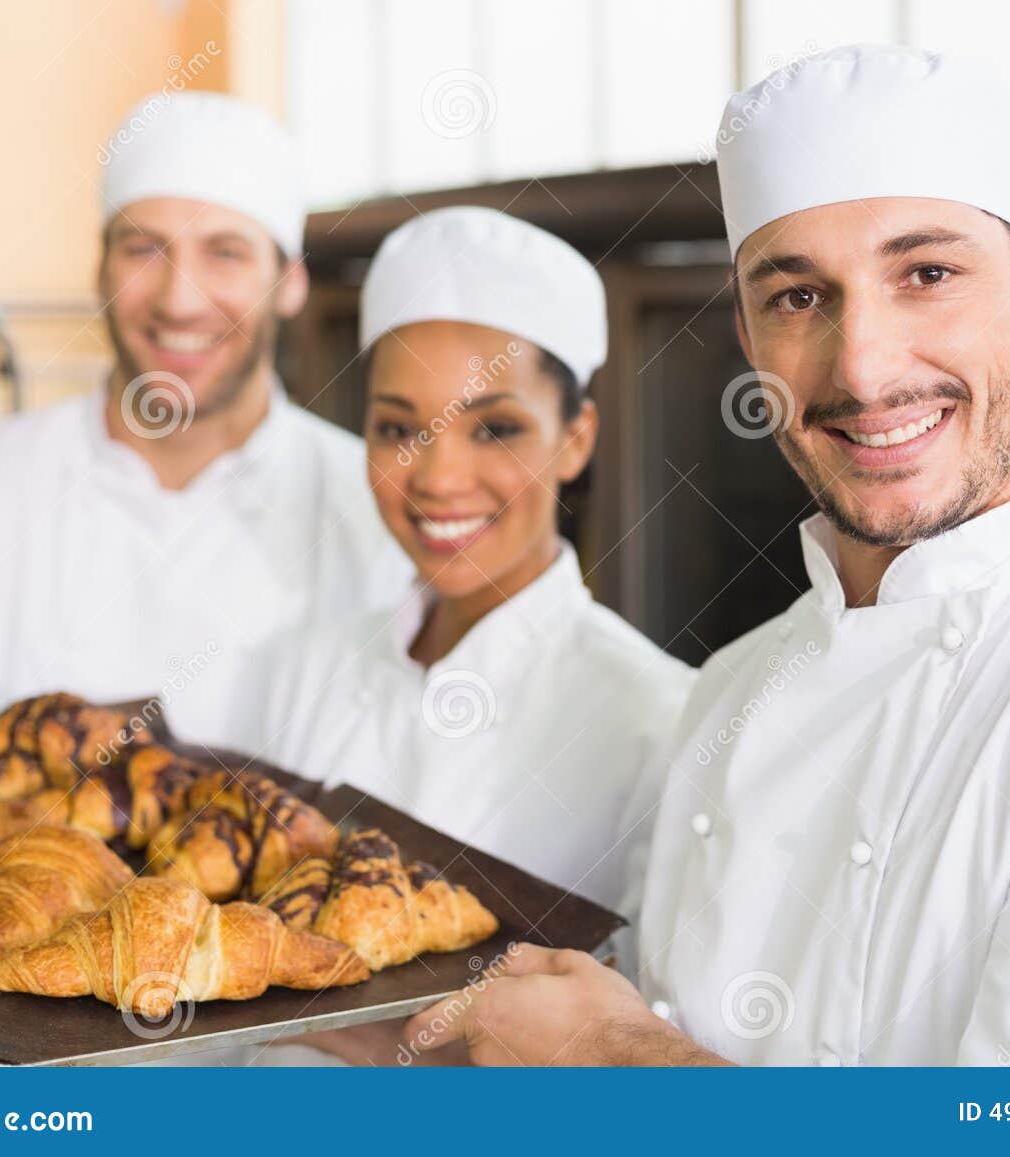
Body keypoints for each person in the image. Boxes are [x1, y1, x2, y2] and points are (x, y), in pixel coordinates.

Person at [393, 45, 1010, 1066]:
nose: (863, 367)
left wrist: (606, 1055)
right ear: (746, 333)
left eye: (927, 274)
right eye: (798, 297)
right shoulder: (731, 691)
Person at [0, 92, 407, 747]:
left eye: (225, 252)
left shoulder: (377, 515)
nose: (180, 298)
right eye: (144, 249)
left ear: (292, 282)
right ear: (100, 267)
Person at [240, 206, 695, 914]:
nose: (437, 478)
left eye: (494, 428)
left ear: (576, 438)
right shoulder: (304, 669)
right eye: (399, 427)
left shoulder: (661, 722)